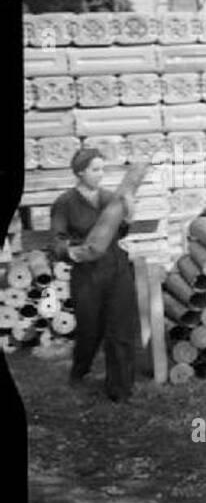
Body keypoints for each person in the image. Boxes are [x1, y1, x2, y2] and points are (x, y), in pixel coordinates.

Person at [49, 148, 140, 401]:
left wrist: (129, 214)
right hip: (87, 274)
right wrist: (72, 252)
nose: (101, 175)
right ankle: (80, 372)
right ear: (80, 172)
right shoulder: (65, 203)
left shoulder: (110, 198)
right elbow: (56, 240)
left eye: (103, 169)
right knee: (90, 330)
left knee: (121, 330)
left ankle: (121, 391)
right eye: (95, 169)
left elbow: (119, 233)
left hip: (117, 268)